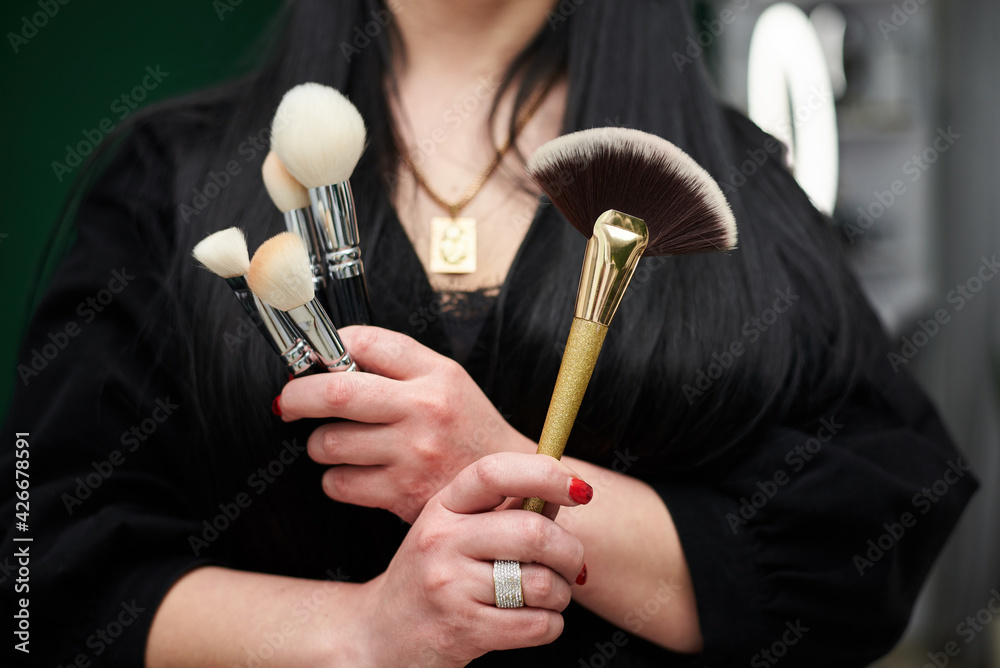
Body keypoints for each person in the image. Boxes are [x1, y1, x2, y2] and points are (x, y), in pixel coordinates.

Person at [1, 0, 977, 666]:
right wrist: (364, 631)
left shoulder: (731, 182)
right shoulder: (168, 182)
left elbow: (872, 531)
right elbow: (39, 579)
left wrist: (497, 463)